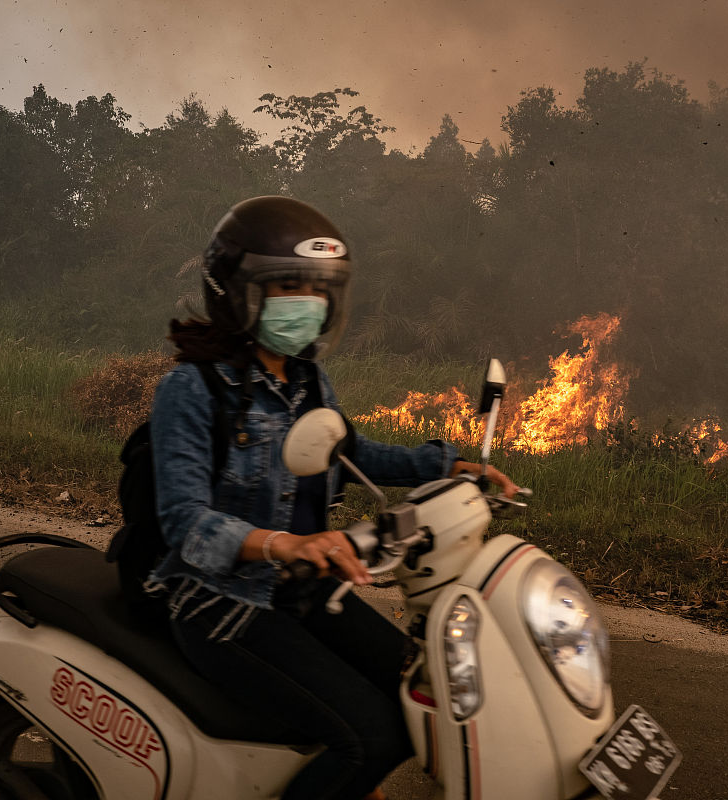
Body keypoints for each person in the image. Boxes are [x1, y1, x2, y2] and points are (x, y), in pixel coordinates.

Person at [146, 196, 517, 800]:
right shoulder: (190, 389)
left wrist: (448, 463)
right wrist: (284, 542)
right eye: (288, 285)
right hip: (224, 606)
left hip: (305, 592)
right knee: (372, 736)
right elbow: (184, 521)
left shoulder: (307, 380)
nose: (308, 303)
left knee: (428, 689)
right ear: (237, 290)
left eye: (318, 290)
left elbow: (350, 452)